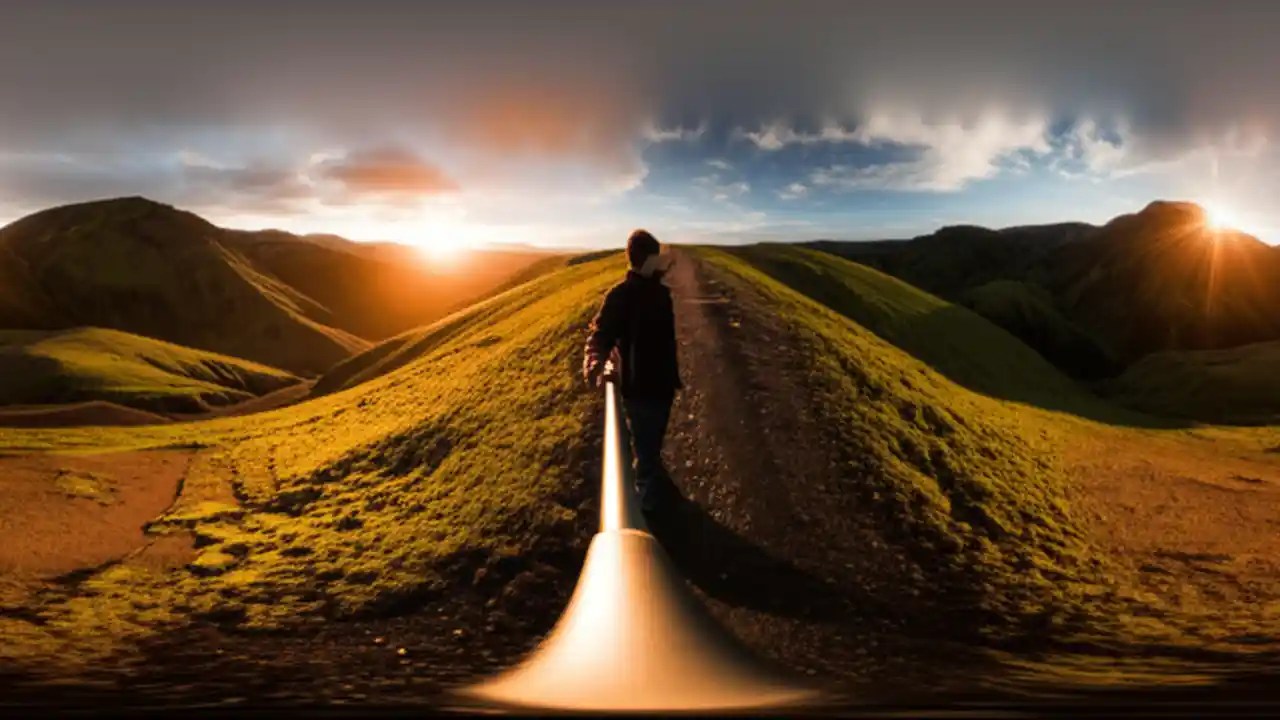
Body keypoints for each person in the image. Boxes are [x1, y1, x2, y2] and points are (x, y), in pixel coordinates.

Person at [582, 229, 682, 513]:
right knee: (646, 449)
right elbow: (600, 336)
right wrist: (594, 364)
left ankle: (652, 481)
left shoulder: (660, 293)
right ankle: (648, 513)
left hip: (663, 385)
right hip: (640, 390)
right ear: (645, 259)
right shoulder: (622, 296)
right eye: (654, 257)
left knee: (652, 440)